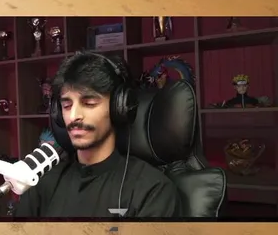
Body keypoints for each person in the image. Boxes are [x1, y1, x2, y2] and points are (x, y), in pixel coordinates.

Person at [13, 51, 180, 219]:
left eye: (89, 103)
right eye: (67, 106)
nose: (73, 116)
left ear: (118, 108)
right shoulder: (41, 182)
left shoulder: (153, 191)